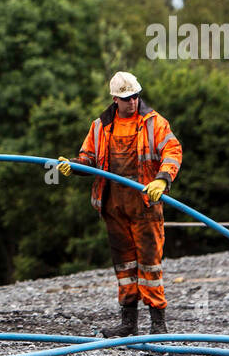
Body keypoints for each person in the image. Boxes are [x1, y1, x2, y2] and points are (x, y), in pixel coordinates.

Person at [58, 72, 182, 335]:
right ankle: (128, 323)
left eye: (136, 96)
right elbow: (88, 158)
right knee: (124, 266)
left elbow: (172, 150)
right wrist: (74, 166)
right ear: (115, 99)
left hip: (145, 206)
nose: (132, 102)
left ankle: (159, 325)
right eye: (126, 98)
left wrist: (163, 179)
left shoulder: (154, 123)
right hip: (113, 207)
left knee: (149, 264)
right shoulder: (100, 126)